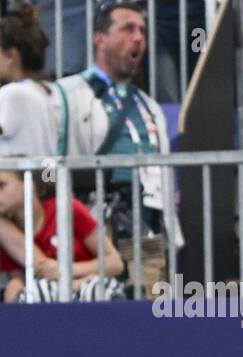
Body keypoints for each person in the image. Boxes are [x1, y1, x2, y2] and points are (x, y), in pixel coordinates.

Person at [53, 1, 181, 295]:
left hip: (146, 224)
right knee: (96, 308)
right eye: (127, 29)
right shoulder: (67, 94)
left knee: (150, 307)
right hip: (94, 225)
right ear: (100, 39)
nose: (138, 37)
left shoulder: (149, 105)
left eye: (142, 31)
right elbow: (49, 164)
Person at [0, 168, 125, 302]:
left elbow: (116, 263)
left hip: (88, 283)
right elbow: (18, 277)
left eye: (1, 185)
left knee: (96, 290)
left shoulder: (68, 209)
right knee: (31, 292)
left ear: (29, 184)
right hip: (47, 291)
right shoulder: (5, 234)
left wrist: (67, 271)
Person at [0, 3, 58, 157]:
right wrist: (48, 181)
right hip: (45, 178)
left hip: (19, 179)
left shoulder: (13, 94)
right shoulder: (49, 91)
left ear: (11, 56)